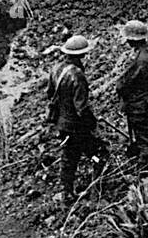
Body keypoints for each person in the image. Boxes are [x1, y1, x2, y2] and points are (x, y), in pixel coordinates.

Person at [46, 35, 108, 206]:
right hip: (76, 126)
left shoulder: (56, 69)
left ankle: (67, 193)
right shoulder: (77, 75)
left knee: (69, 157)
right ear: (82, 55)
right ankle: (97, 194)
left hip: (62, 123)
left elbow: (50, 94)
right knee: (99, 153)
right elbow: (82, 107)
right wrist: (93, 125)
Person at [117, 20, 148, 165]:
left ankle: (145, 168)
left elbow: (124, 83)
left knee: (142, 138)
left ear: (133, 40)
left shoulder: (139, 60)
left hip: (140, 107)